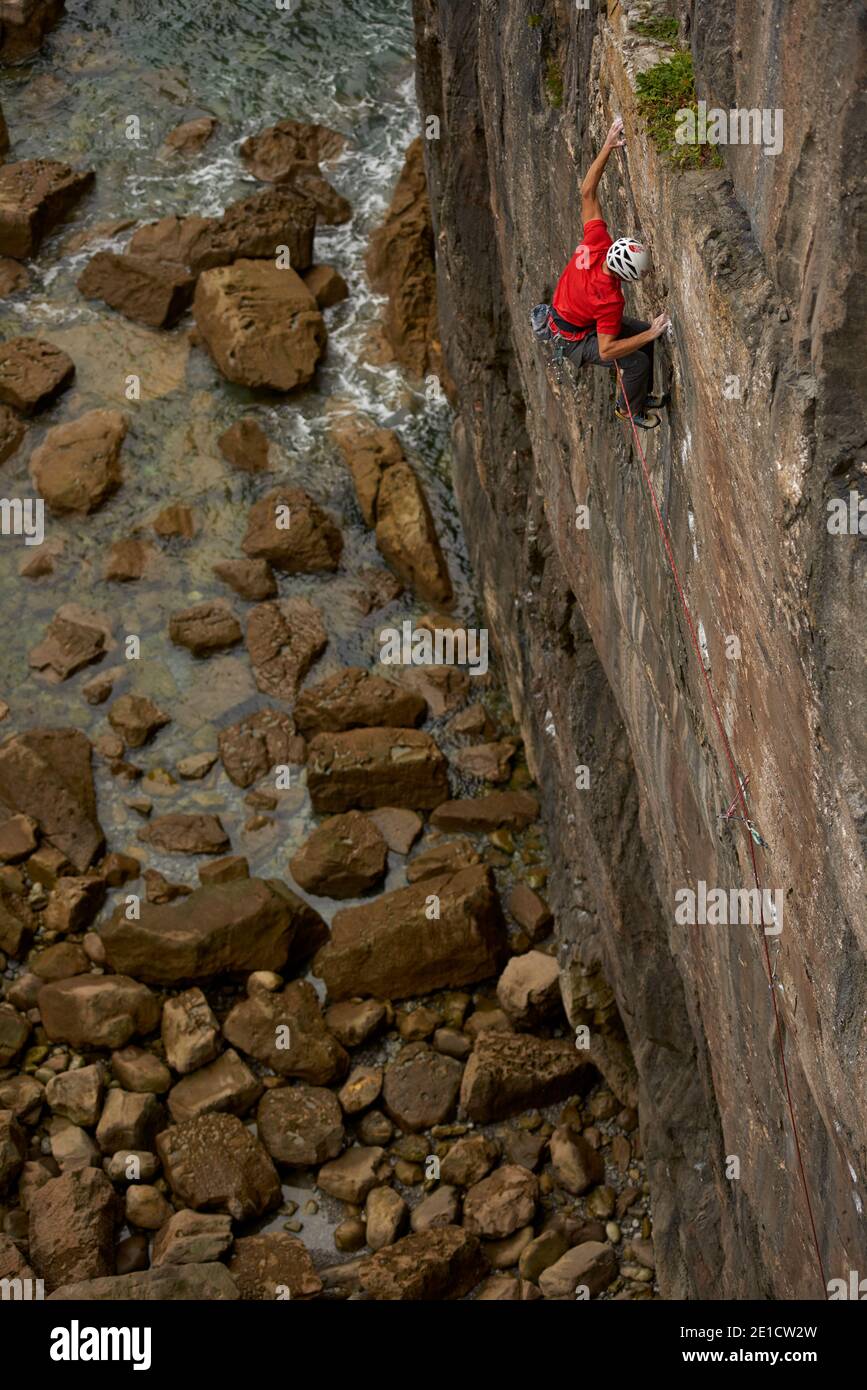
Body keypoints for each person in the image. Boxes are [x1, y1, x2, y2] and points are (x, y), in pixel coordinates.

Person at [545, 116, 670, 429]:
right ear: (625, 278)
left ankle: (638, 396)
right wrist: (650, 333)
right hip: (573, 339)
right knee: (637, 356)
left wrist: (608, 146)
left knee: (644, 337)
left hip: (571, 315)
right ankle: (627, 410)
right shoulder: (609, 301)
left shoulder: (595, 243)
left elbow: (587, 192)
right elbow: (606, 348)